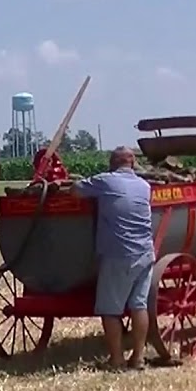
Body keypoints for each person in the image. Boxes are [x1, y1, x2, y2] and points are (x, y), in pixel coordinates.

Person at [72, 146, 156, 371]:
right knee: (139, 305)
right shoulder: (145, 186)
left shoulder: (106, 181)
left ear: (112, 163)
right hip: (146, 253)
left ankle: (117, 360)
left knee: (110, 310)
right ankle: (138, 358)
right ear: (133, 164)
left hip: (120, 254)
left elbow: (76, 190)